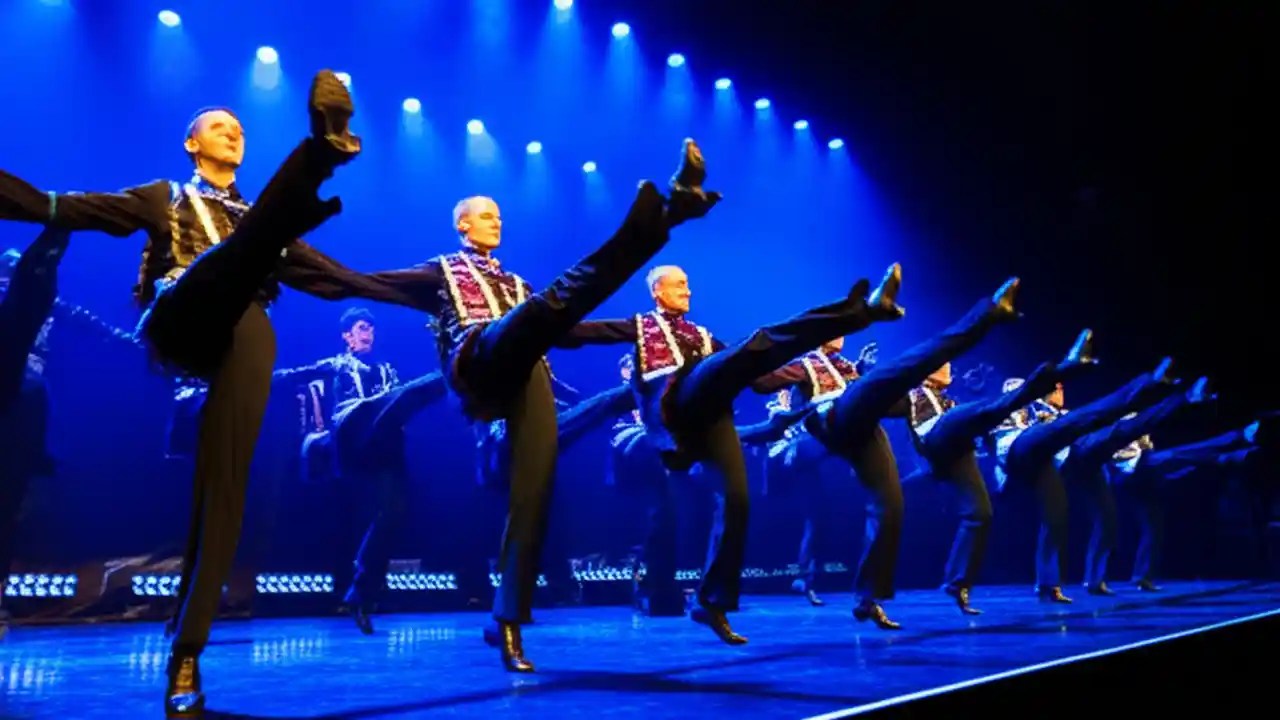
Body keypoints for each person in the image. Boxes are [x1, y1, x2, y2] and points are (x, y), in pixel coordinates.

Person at [0, 69, 389, 715]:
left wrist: (404, 292)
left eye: (239, 129)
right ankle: (323, 147)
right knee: (233, 255)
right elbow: (65, 206)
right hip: (183, 315)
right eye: (218, 126)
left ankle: (186, 649)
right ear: (190, 144)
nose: (233, 131)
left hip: (244, 328)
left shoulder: (261, 222)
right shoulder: (164, 197)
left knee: (226, 489)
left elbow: (336, 278)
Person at [291, 139, 722, 672]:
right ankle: (653, 223)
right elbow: (367, 284)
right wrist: (290, 253)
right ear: (463, 228)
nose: (495, 223)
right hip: (479, 361)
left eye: (499, 216)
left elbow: (562, 324)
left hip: (527, 369)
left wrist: (612, 338)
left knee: (534, 494)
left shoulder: (517, 284)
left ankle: (508, 620)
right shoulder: (442, 271)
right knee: (553, 301)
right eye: (484, 217)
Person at [558, 263, 907, 643]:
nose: (687, 291)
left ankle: (712, 603)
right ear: (657, 292)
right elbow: (588, 332)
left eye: (688, 284)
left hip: (712, 413)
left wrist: (780, 367)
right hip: (675, 406)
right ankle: (854, 311)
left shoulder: (705, 336)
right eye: (679, 285)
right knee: (750, 346)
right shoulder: (641, 326)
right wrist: (538, 323)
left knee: (738, 500)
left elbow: (758, 379)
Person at [752, 277, 1021, 629]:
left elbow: (893, 404)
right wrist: (747, 361)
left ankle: (868, 599)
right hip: (829, 423)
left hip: (863, 424)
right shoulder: (806, 365)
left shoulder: (850, 368)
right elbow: (761, 382)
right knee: (887, 380)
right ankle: (981, 318)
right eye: (834, 328)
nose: (840, 335)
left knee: (891, 506)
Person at [903, 331, 1093, 614]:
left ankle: (957, 583)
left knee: (981, 514)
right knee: (976, 413)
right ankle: (1066, 365)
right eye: (942, 364)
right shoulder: (912, 392)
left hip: (962, 449)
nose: (948, 368)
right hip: (939, 437)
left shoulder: (957, 402)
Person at [993, 355, 1177, 603]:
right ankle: (1048, 584)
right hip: (1062, 463)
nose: (1060, 389)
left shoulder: (1070, 413)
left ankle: (1095, 579)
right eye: (1055, 386)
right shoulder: (1033, 409)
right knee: (1055, 518)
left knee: (1108, 519)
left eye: (1061, 386)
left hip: (1088, 460)